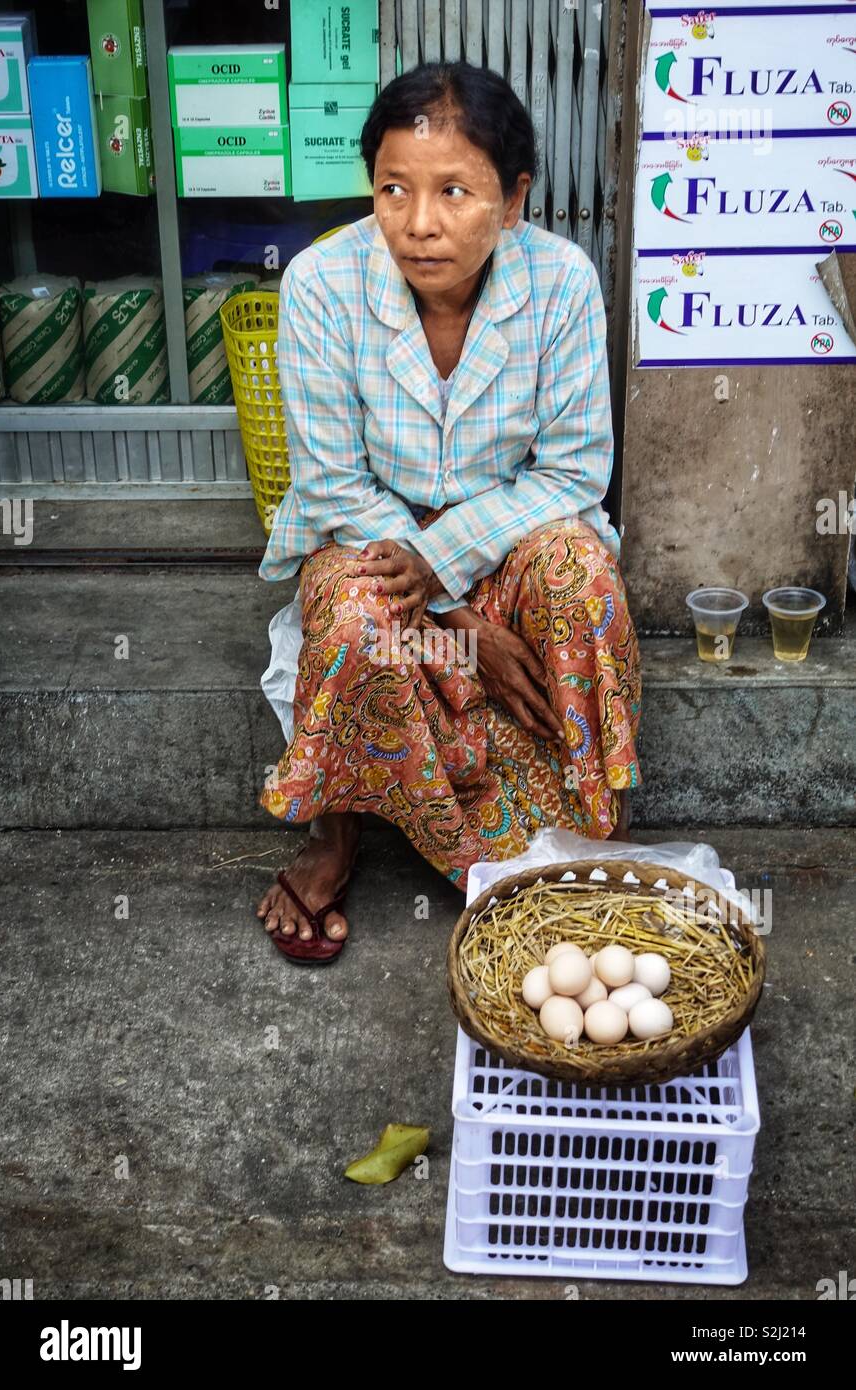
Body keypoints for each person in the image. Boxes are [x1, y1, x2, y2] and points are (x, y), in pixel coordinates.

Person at [255, 60, 642, 964]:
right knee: (354, 620)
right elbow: (330, 482)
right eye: (394, 189)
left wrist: (455, 558)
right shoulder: (320, 283)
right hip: (369, 543)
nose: (419, 224)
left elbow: (575, 468)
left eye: (455, 191)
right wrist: (452, 610)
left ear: (513, 201)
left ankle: (587, 828)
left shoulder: (562, 281)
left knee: (580, 576)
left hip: (510, 534)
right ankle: (338, 829)